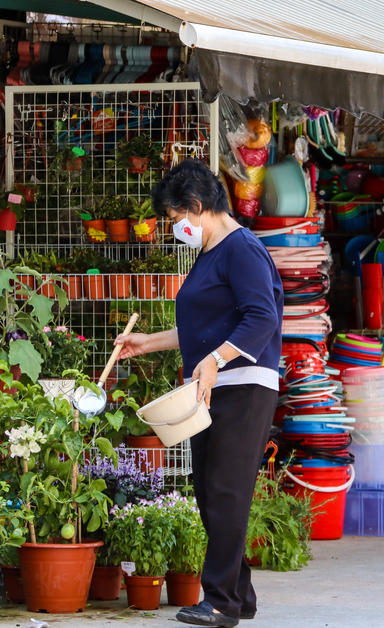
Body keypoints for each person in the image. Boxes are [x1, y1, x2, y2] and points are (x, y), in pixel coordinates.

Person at [114, 159, 283, 628]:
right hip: (210, 387)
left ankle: (221, 602)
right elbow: (205, 326)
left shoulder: (241, 248)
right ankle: (240, 594)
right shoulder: (210, 251)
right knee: (210, 493)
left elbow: (262, 317)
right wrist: (148, 342)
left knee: (226, 491)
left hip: (244, 386)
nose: (175, 228)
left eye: (174, 218)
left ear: (195, 205)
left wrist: (215, 359)